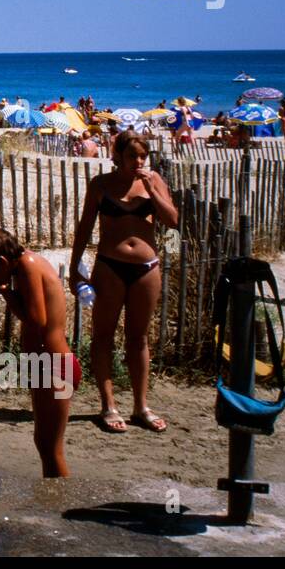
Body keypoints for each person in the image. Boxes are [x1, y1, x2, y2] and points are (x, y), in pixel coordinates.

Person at [69, 130, 179, 433]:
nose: (139, 161)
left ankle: (141, 406)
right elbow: (84, 227)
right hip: (109, 265)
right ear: (117, 156)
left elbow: (172, 220)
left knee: (138, 338)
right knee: (103, 336)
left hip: (146, 267)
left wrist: (151, 190)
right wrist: (75, 267)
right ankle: (108, 405)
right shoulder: (101, 185)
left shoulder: (154, 181)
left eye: (143, 156)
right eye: (132, 156)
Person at [0, 226, 76, 477]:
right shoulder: (23, 265)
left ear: (1, 261)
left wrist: (3, 291)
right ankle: (55, 501)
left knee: (51, 448)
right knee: (44, 444)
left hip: (54, 366)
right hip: (46, 365)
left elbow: (37, 320)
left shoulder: (28, 265)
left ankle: (58, 501)